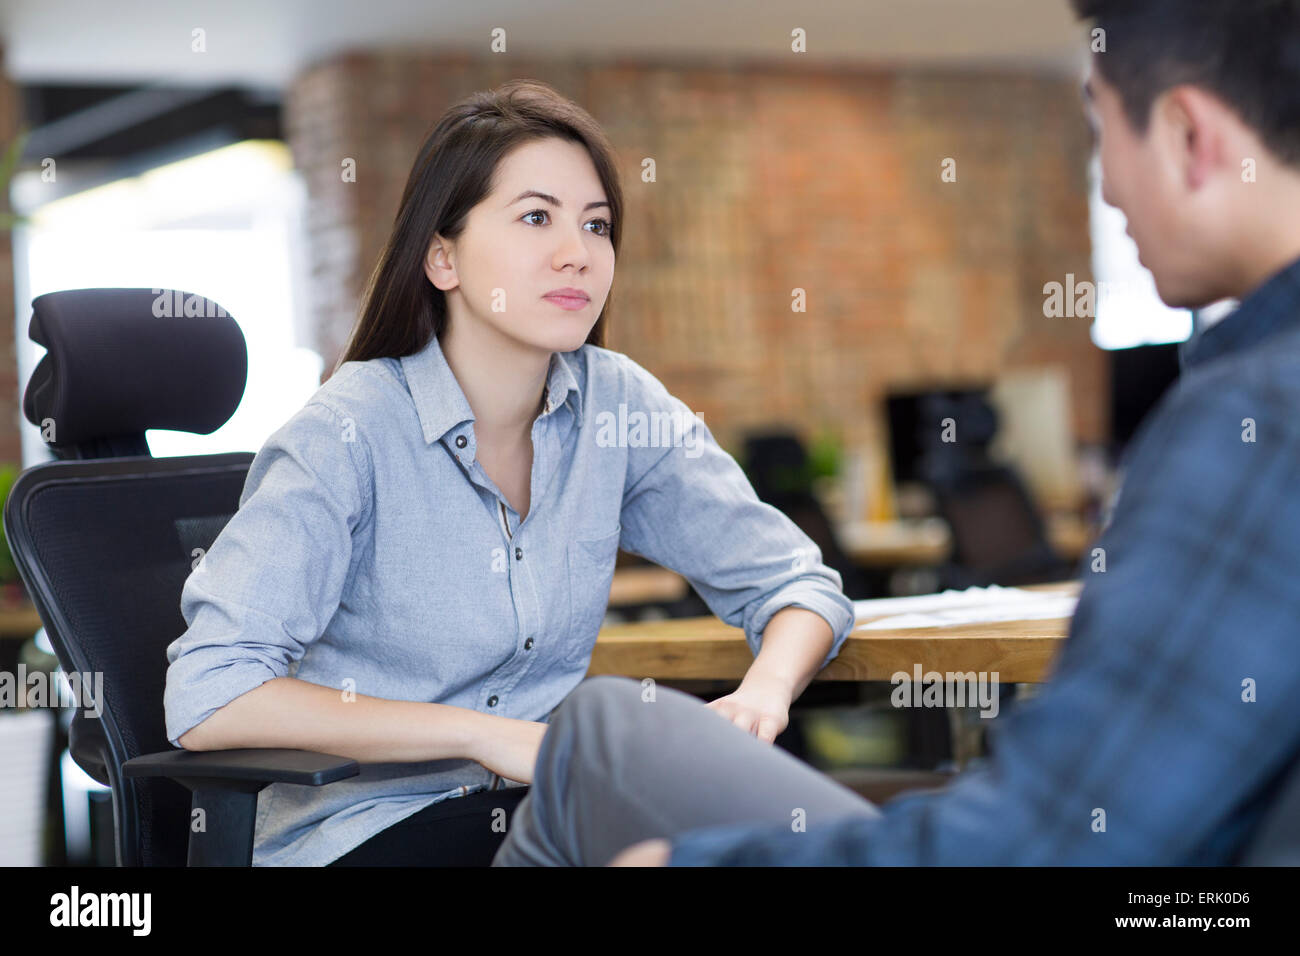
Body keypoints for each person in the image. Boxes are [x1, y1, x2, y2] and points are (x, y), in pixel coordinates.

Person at [492, 0, 1300, 867]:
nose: (1103, 188)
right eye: (536, 219)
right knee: (609, 732)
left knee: (601, 736)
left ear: (1187, 135)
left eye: (1103, 137)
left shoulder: (1252, 419)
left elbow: (1049, 846)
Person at [162, 80, 857, 866]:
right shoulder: (346, 432)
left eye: (596, 225)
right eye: (536, 217)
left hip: (537, 814)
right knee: (625, 751)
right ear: (443, 257)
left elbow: (799, 585)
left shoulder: (615, 404)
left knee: (681, 786)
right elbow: (209, 695)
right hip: (369, 832)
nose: (577, 252)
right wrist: (483, 736)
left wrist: (763, 693)